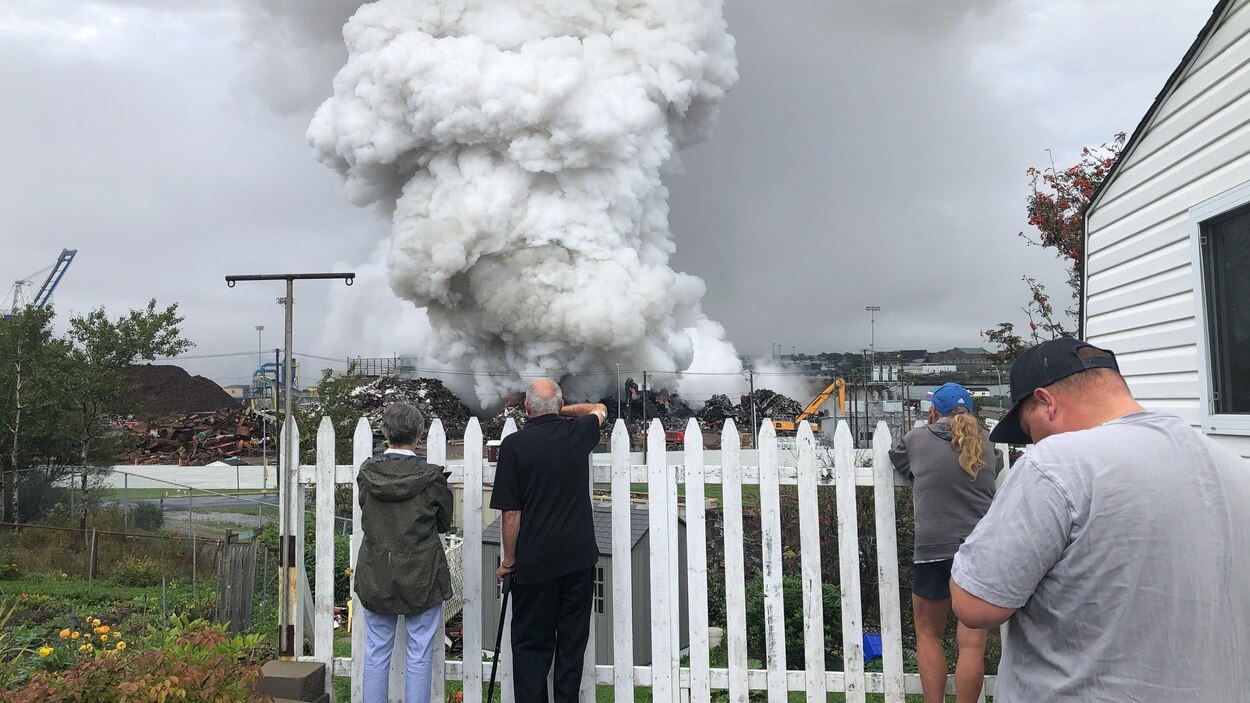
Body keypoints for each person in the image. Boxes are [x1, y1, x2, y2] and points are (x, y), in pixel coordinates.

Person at [950, 339, 1250, 702]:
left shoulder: (1056, 463)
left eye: (1029, 431)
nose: (1032, 444)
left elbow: (975, 604)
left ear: (1047, 402)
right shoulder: (1234, 468)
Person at [490, 378, 606, 703]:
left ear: (526, 408)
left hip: (534, 564)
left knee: (531, 648)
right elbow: (600, 410)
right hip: (578, 562)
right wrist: (561, 408)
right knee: (571, 647)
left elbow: (511, 513)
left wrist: (508, 562)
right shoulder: (578, 433)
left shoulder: (514, 446)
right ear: (560, 405)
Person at [890, 382, 1002, 703]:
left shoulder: (917, 439)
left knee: (928, 635)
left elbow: (898, 459)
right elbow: (996, 464)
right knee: (972, 642)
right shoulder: (985, 443)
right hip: (978, 552)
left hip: (932, 552)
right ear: (969, 410)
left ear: (932, 412)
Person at [354, 403, 453, 703]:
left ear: (385, 433)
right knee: (420, 654)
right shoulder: (432, 479)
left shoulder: (368, 474)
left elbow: (365, 510)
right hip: (421, 572)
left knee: (376, 651)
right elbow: (444, 523)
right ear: (419, 435)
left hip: (377, 571)